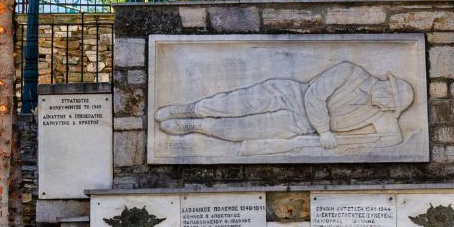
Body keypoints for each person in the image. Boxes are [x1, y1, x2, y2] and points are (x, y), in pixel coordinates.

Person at [155, 62, 415, 153]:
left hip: (298, 126)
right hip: (291, 95)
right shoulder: (350, 72)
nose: (387, 109)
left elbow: (394, 138)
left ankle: (194, 126)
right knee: (234, 103)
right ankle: (189, 109)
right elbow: (315, 96)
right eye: (390, 103)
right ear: (387, 88)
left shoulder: (378, 111)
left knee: (243, 129)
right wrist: (325, 131)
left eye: (392, 108)